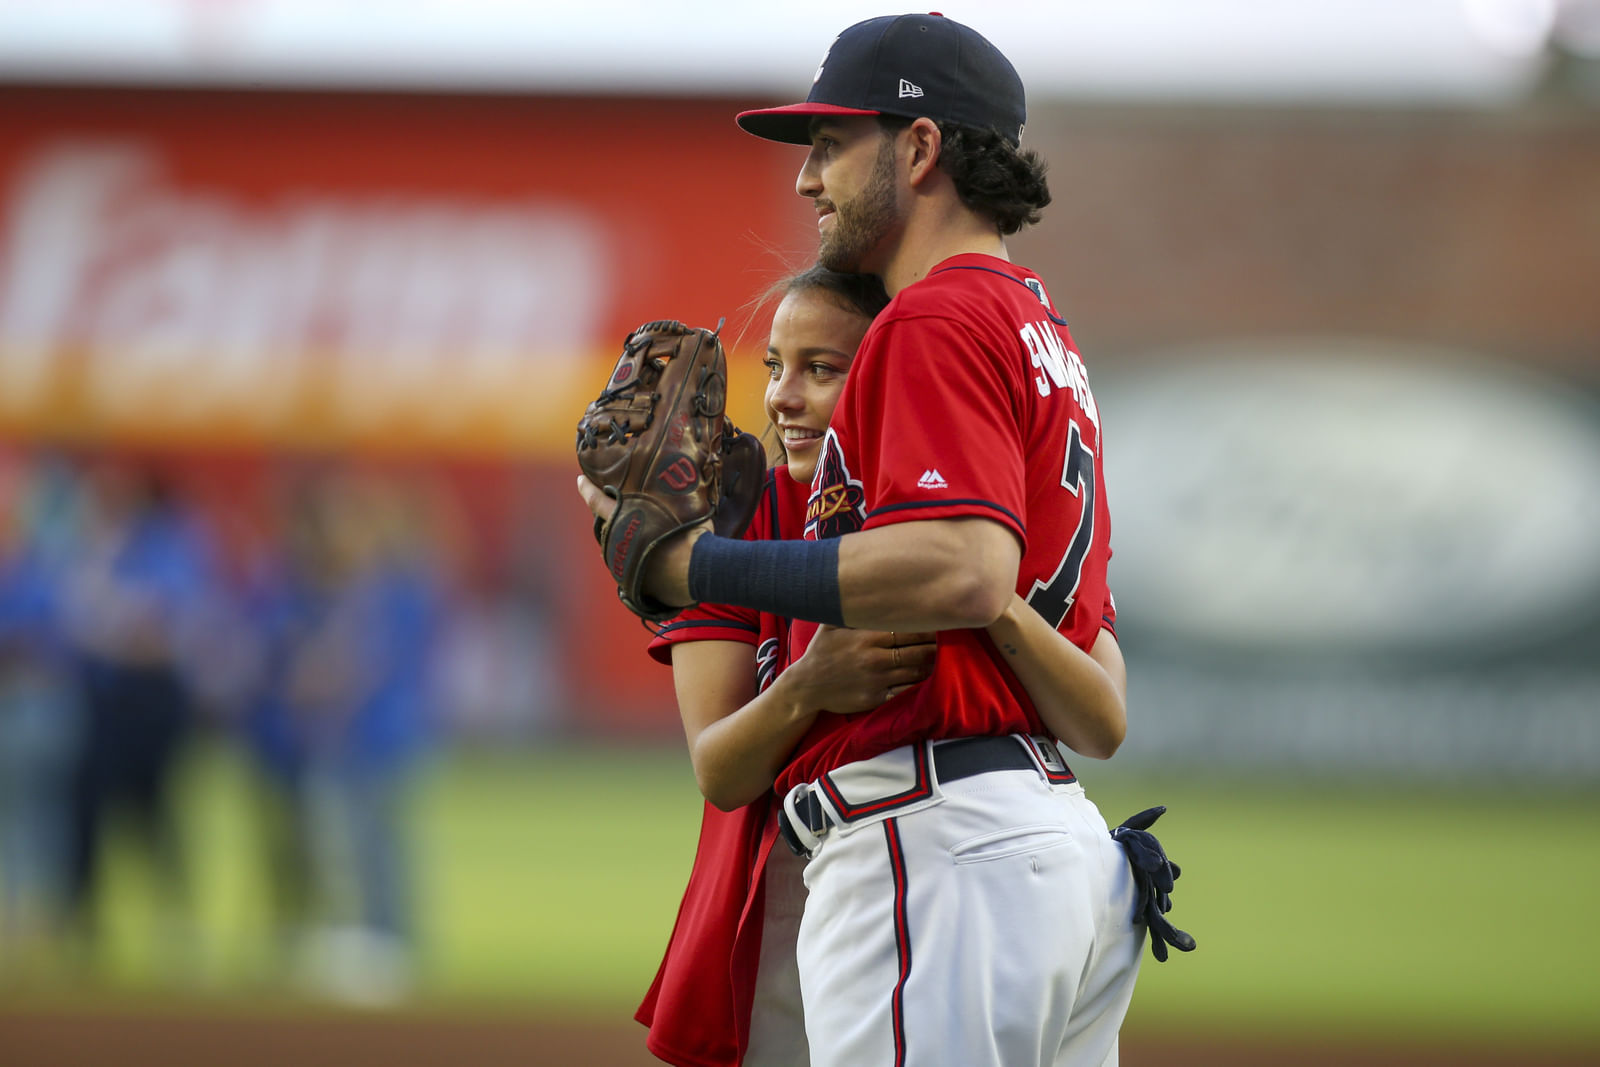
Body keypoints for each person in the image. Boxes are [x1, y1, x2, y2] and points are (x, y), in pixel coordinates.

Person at [582, 13, 1144, 1064]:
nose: (807, 180)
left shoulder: (930, 319)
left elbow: (959, 569)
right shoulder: (1043, 333)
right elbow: (1073, 658)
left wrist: (689, 563)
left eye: (831, 143)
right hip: (1045, 841)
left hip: (938, 844)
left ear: (920, 147)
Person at [636, 263, 1132, 1067]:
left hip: (931, 867)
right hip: (801, 893)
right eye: (775, 367)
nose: (782, 397)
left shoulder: (963, 517)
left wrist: (984, 593)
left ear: (885, 381)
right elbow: (720, 769)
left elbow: (1103, 722)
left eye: (821, 369)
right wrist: (808, 684)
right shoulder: (742, 517)